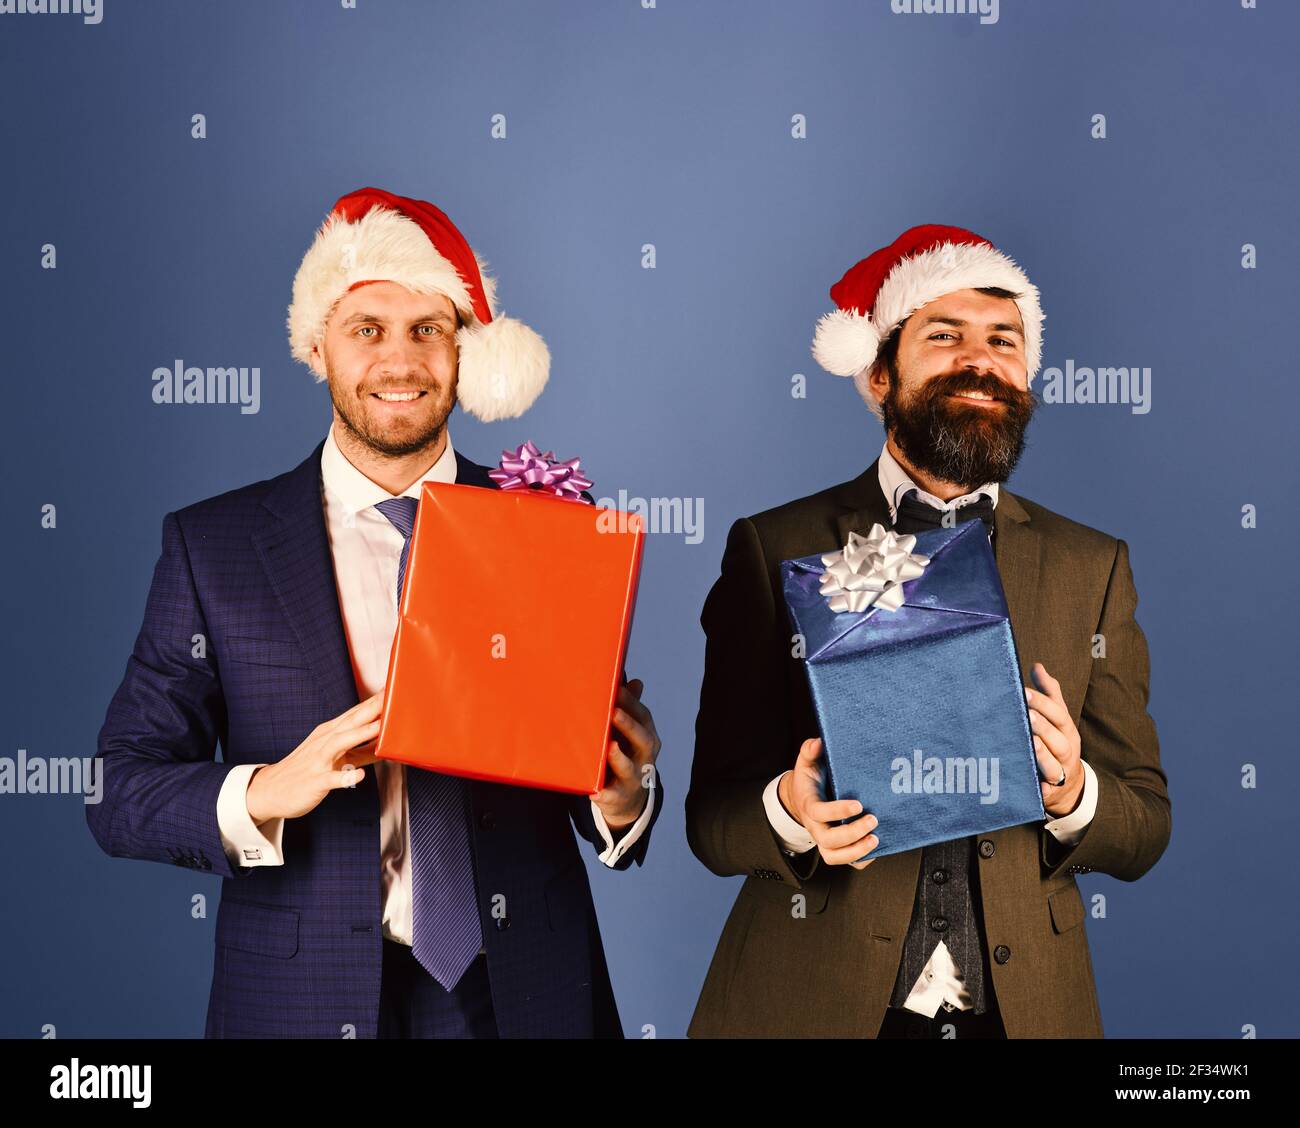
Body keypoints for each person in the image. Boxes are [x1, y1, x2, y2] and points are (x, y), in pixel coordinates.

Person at [88, 187, 663, 1039]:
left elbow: (584, 780)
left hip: (524, 993)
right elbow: (117, 789)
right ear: (317, 347)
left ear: (466, 352)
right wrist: (267, 790)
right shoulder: (213, 547)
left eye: (429, 329)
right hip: (299, 998)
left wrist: (621, 798)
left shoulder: (552, 531)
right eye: (368, 330)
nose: (401, 361)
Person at [686, 224, 1169, 1038]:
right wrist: (788, 811)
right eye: (943, 336)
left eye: (1002, 341)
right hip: (812, 1001)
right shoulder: (773, 547)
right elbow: (712, 819)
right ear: (879, 375)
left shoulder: (1095, 567)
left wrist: (1075, 794)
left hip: (1025, 1014)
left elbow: (1144, 824)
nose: (978, 360)